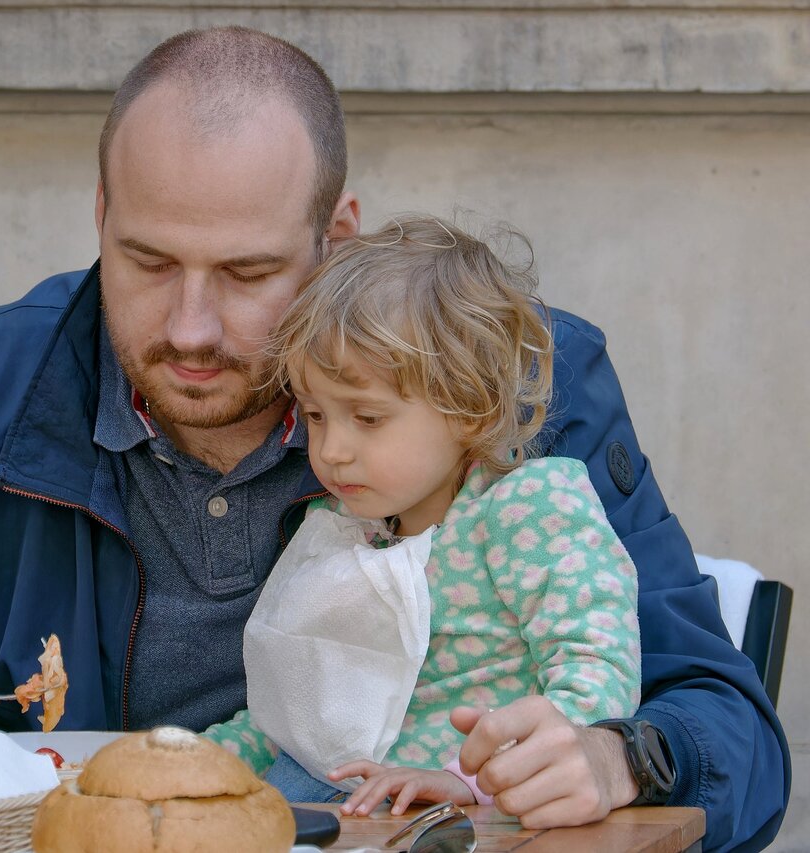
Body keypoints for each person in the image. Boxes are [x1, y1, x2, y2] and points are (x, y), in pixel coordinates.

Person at [0, 25, 788, 851]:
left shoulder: (503, 381)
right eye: (145, 262)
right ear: (100, 213)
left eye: (244, 275)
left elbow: (733, 733)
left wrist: (619, 756)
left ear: (336, 239)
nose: (190, 327)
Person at [203, 214, 642, 816]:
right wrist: (193, 757)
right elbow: (291, 711)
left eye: (368, 417)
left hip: (470, 820)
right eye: (315, 414)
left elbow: (596, 670)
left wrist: (477, 780)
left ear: (469, 406)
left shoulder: (527, 510)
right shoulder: (348, 525)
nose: (330, 451)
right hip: (328, 807)